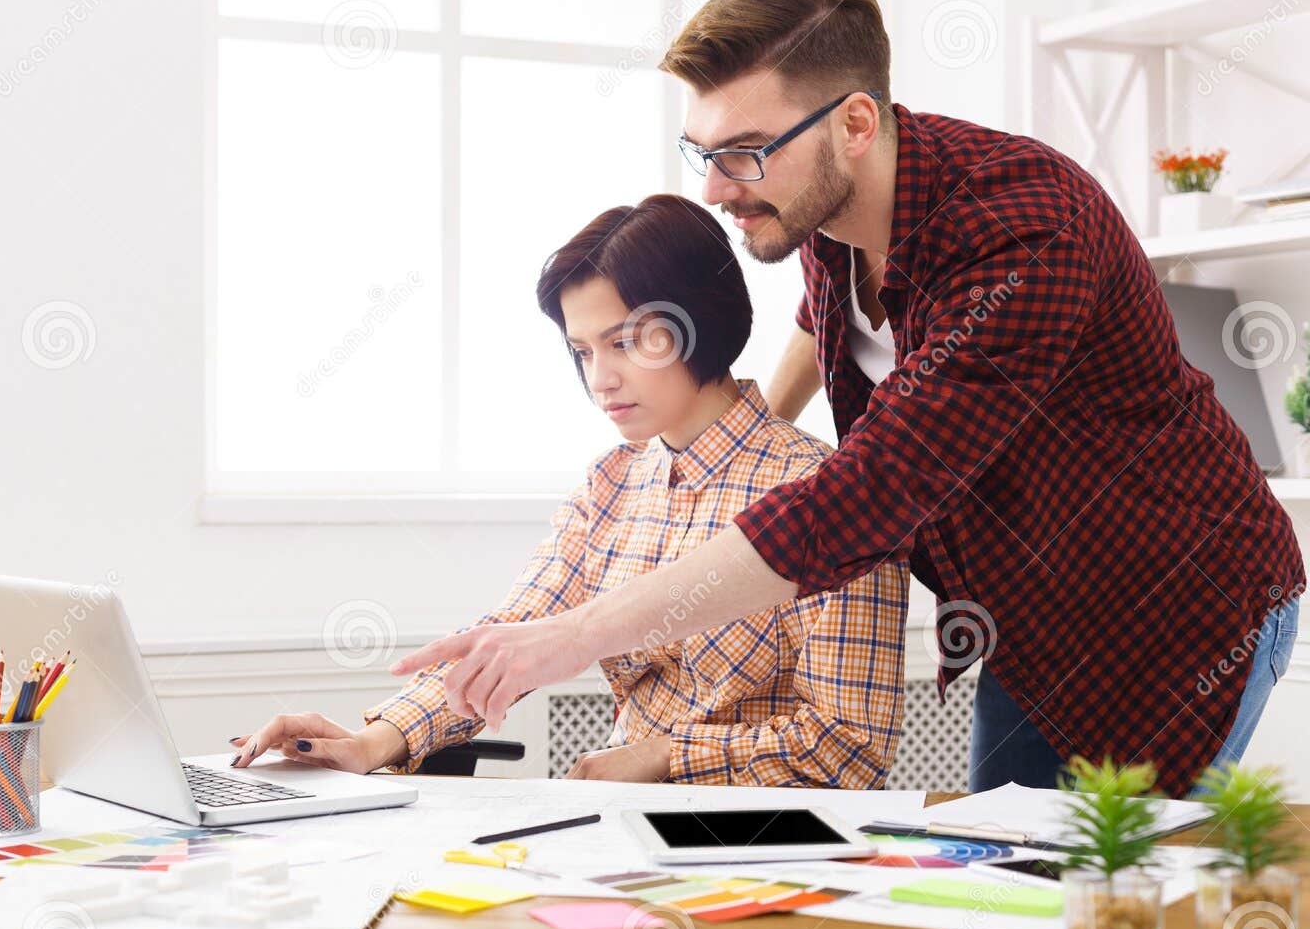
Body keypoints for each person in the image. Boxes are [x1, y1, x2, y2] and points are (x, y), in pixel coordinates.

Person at [391, 0, 1303, 798]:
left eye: (743, 153)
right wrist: (738, 445)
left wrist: (577, 637)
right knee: (997, 884)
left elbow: (870, 495)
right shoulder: (823, 204)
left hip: (1177, 608)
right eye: (701, 151)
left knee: (1097, 907)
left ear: (856, 124)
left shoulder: (1025, 233)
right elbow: (821, 326)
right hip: (1027, 620)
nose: (716, 188)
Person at [232, 193, 910, 786]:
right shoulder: (612, 483)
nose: (601, 380)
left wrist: (665, 756)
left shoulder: (829, 494)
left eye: (624, 344)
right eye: (584, 352)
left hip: (779, 854)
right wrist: (370, 744)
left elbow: (845, 748)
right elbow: (518, 634)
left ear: (698, 322)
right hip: (624, 828)